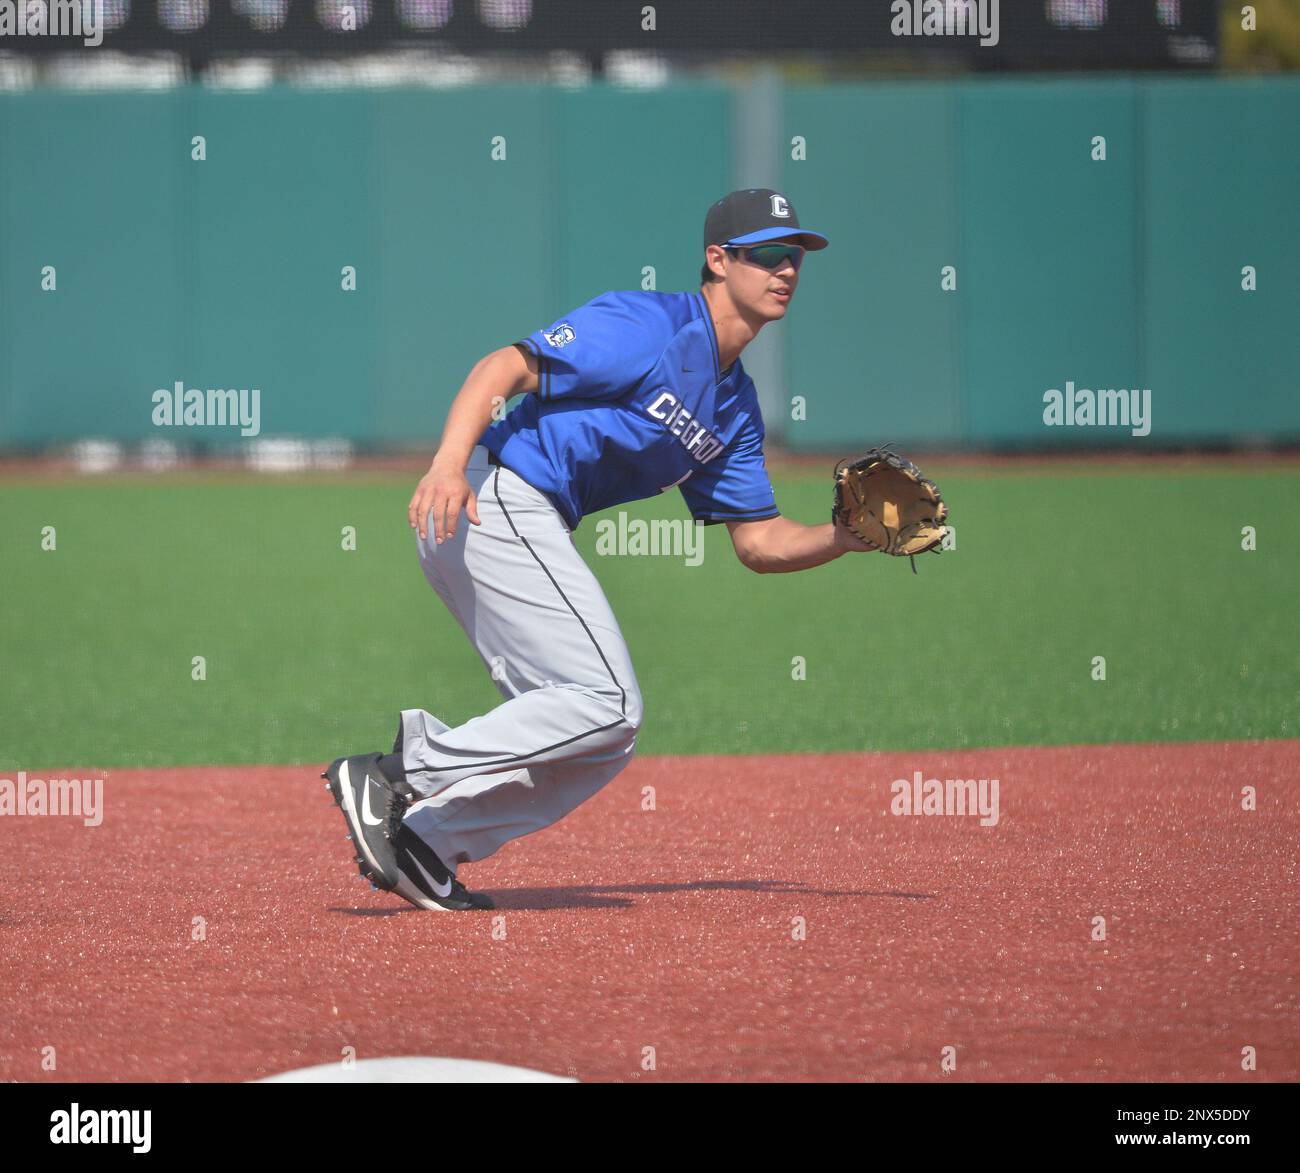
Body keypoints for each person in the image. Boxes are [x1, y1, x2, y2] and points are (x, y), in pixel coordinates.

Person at [322, 188, 878, 911]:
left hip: (518, 523)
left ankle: (425, 836)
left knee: (602, 735)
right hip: (495, 498)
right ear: (718, 259)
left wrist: (844, 536)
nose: (787, 270)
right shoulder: (649, 325)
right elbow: (505, 367)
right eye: (768, 253)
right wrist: (448, 463)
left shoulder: (735, 405)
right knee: (608, 698)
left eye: (796, 255)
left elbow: (759, 541)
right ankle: (397, 772)